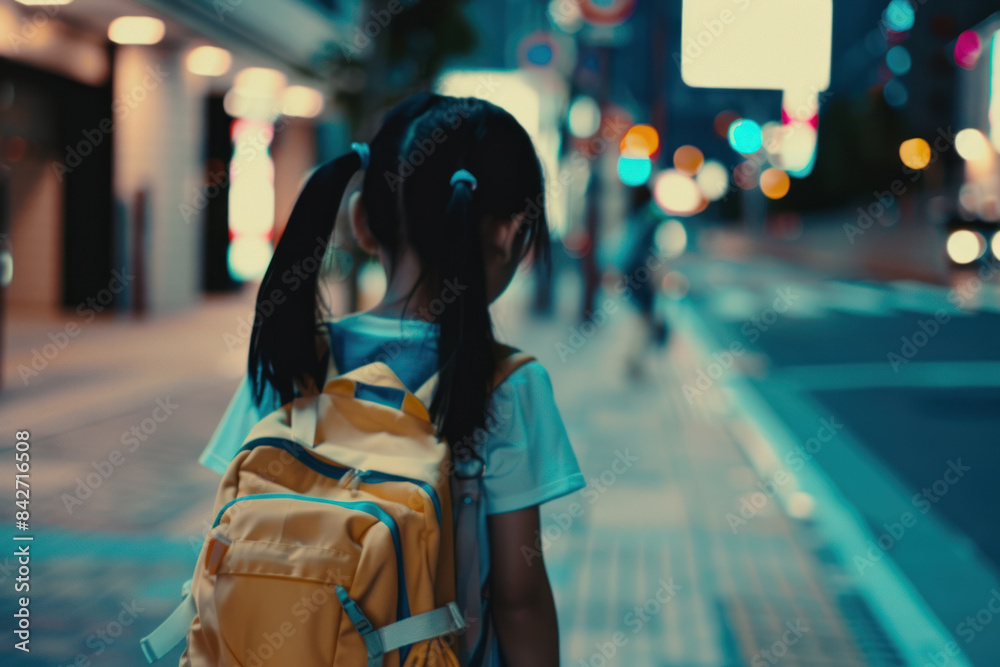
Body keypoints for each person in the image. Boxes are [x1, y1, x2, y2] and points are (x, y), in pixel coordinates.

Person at [198, 93, 585, 666]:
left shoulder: (293, 357)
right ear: (510, 233)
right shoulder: (508, 385)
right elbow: (519, 599)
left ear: (361, 222)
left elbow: (228, 539)